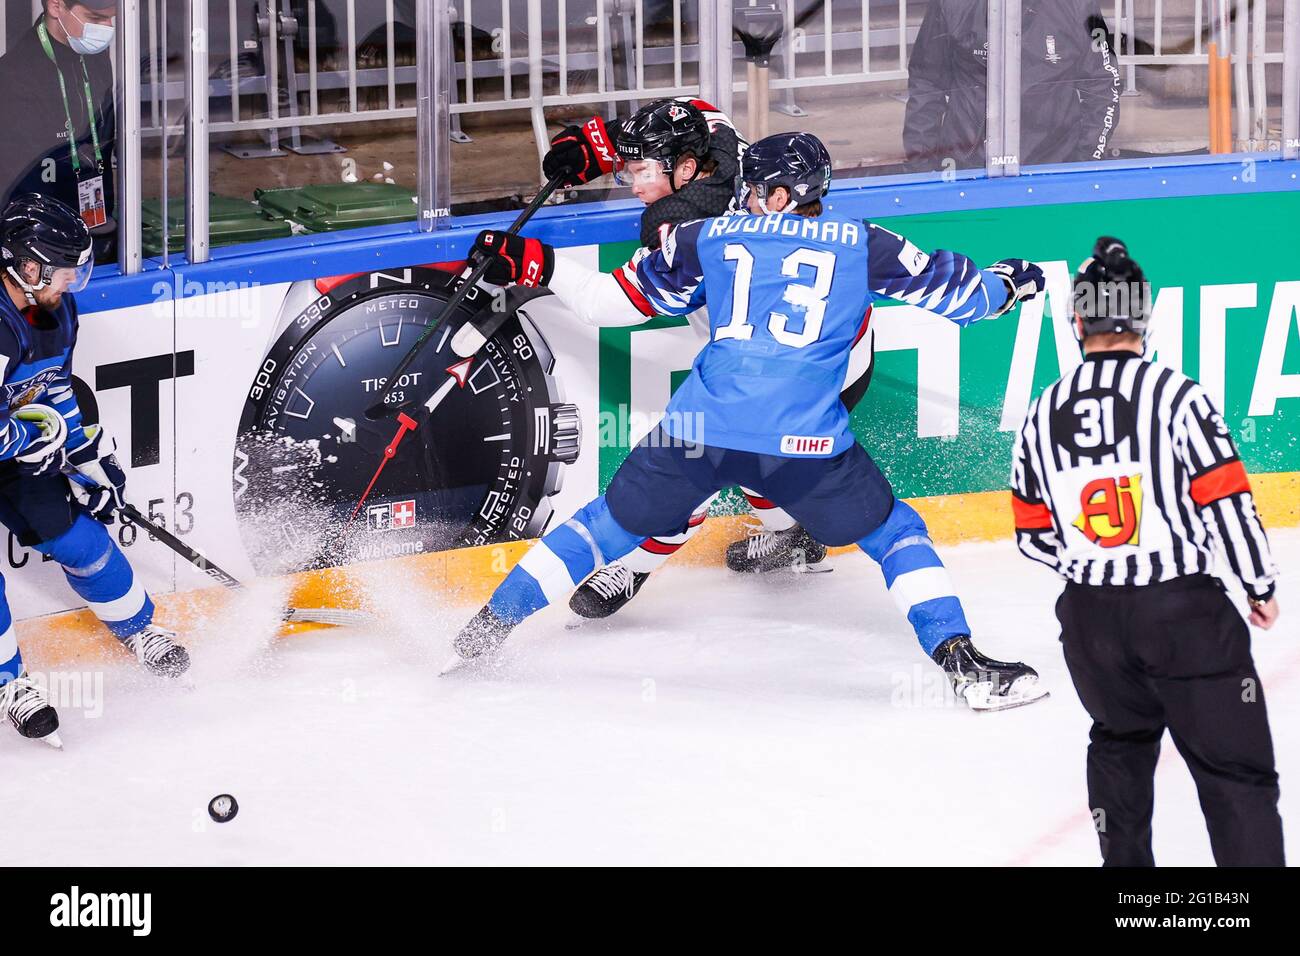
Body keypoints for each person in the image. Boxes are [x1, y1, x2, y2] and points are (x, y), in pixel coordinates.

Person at [452, 132, 1049, 712]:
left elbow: (616, 303)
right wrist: (1013, 282)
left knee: (600, 527)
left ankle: (478, 637)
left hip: (699, 432)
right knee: (896, 535)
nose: (745, 197)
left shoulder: (704, 236)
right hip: (805, 442)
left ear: (783, 194)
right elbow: (972, 299)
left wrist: (538, 263)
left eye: (756, 188)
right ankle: (964, 666)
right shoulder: (865, 243)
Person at [541, 98, 875, 623]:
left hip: (819, 363)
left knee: (704, 454)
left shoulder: (688, 232)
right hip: (790, 351)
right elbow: (700, 110)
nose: (631, 183)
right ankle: (794, 535)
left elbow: (606, 305)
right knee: (738, 456)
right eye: (629, 167)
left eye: (640, 170)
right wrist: (599, 144)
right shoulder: (734, 155)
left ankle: (633, 566)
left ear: (687, 169)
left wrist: (540, 265)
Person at [1010, 237, 1283, 865]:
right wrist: (1257, 584)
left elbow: (1031, 532)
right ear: (1143, 317)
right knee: (1235, 776)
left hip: (1090, 623)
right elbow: (1227, 503)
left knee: (1119, 746)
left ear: (1077, 322)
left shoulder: (1042, 410)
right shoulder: (1178, 396)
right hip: (1183, 616)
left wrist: (1090, 569)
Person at [0, 194, 190, 749]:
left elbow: (51, 386)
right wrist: (25, 440)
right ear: (27, 265)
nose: (70, 283)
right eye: (62, 271)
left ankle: (140, 629)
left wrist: (86, 461)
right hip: (13, 444)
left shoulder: (53, 311)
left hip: (15, 450)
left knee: (80, 539)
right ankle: (9, 684)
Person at [903, 0, 1121, 173]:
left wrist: (1083, 163)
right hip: (967, 167)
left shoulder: (1076, 4)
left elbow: (1103, 84)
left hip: (1053, 165)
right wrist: (921, 166)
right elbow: (927, 81)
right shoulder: (953, 4)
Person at [0, 1, 117, 260]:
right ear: (56, 6)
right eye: (96, 18)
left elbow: (102, 133)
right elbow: (20, 181)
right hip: (45, 241)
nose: (107, 29)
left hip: (97, 221)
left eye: (111, 19)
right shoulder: (15, 74)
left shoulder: (95, 56)